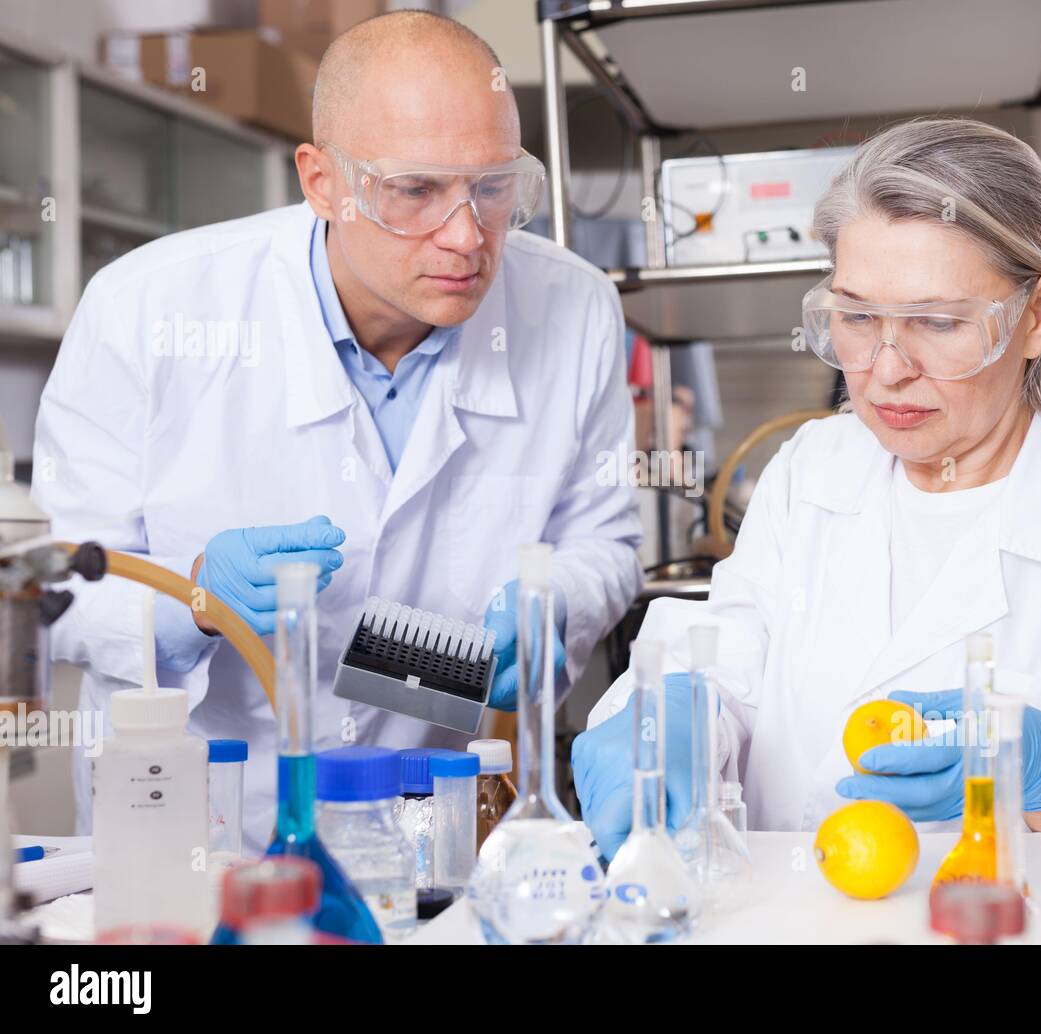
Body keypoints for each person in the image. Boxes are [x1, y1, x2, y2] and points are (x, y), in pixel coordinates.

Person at [574, 118, 1041, 862]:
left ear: (1037, 314)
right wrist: (674, 709)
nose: (886, 367)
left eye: (937, 321)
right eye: (856, 315)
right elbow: (730, 665)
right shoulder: (813, 467)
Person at [33, 11, 641, 849]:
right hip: (195, 833)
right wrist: (196, 596)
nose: (467, 237)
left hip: (437, 824)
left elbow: (606, 542)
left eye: (494, 187)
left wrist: (557, 606)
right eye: (415, 190)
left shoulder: (575, 309)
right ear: (322, 182)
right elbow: (56, 590)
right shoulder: (146, 308)